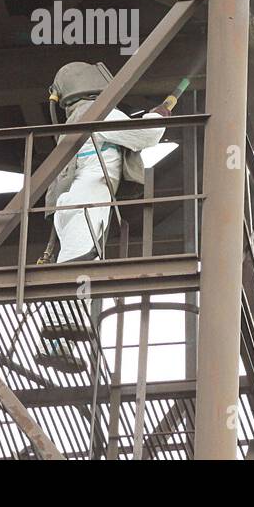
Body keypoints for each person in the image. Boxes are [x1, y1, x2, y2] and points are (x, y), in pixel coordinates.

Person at [35, 61, 169, 372]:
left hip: (73, 200)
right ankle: (55, 332)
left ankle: (57, 342)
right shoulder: (98, 112)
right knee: (79, 261)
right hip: (89, 195)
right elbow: (145, 136)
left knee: (77, 260)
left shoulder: (77, 117)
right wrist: (158, 115)